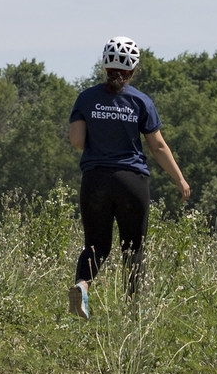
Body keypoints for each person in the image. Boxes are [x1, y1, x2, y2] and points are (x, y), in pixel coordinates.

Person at [63, 36, 190, 318]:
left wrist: (101, 140)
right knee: (133, 248)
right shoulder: (141, 101)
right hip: (132, 182)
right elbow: (157, 146)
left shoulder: (86, 98)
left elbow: (76, 140)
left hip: (95, 180)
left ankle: (81, 288)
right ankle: (134, 311)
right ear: (132, 70)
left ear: (104, 66)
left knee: (96, 245)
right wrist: (179, 179)